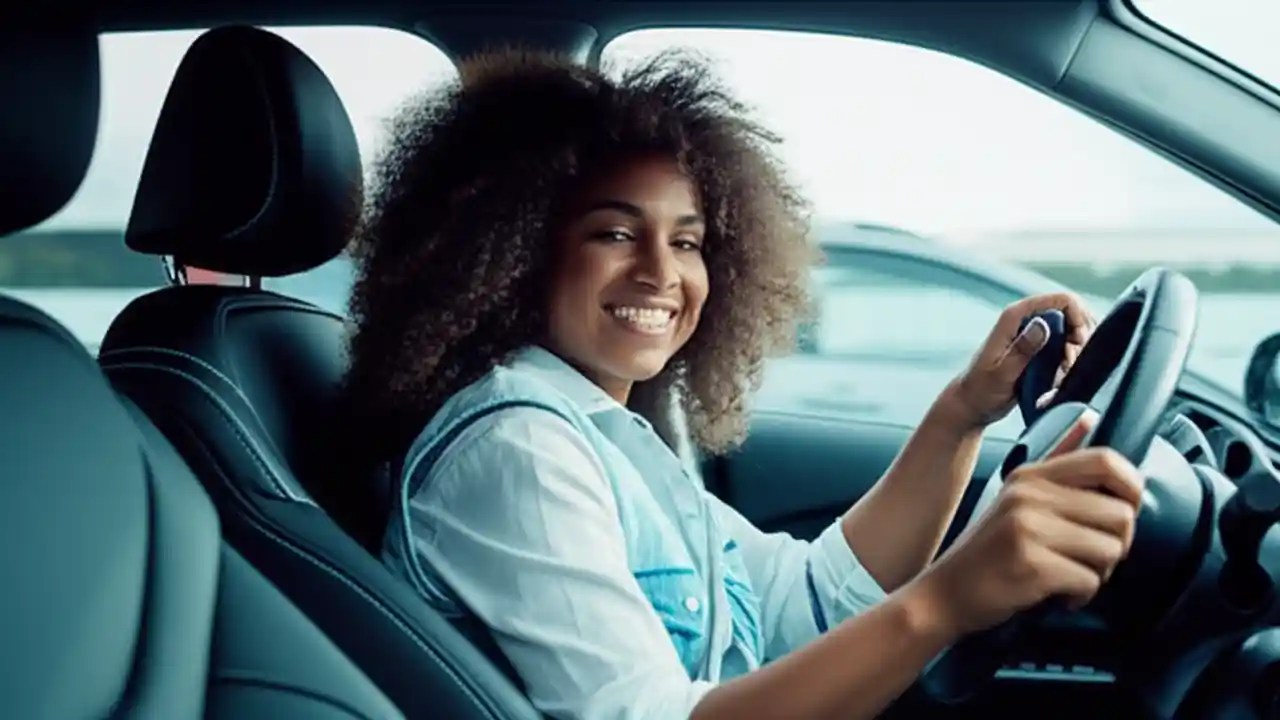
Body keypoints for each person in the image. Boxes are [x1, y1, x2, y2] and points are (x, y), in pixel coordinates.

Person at [341, 48, 1144, 720]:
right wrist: (947, 603)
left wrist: (966, 410)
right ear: (513, 254)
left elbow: (810, 607)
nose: (661, 273)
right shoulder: (517, 447)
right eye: (616, 233)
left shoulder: (599, 437)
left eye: (687, 242)